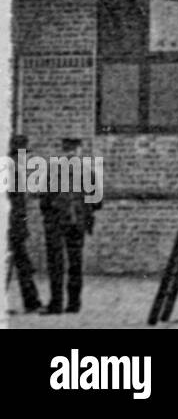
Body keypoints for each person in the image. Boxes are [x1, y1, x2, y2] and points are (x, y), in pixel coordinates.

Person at [39, 137, 97, 314]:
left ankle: (56, 304)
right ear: (79, 150)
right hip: (77, 222)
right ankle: (74, 304)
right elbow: (97, 201)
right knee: (76, 263)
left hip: (56, 222)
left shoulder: (52, 171)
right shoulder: (88, 171)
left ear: (63, 150)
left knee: (55, 263)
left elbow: (44, 200)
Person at [6, 134, 42, 314]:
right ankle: (31, 301)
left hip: (13, 224)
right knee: (20, 263)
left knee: (19, 263)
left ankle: (32, 301)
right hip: (12, 225)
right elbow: (15, 202)